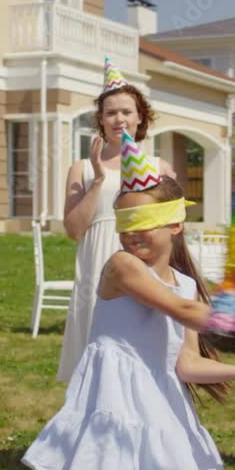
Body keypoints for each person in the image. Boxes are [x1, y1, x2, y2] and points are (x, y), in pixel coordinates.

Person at [23, 137, 235, 470]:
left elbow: (186, 363)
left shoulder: (185, 285)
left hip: (161, 408)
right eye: (124, 224)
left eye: (143, 223)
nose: (132, 234)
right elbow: (182, 311)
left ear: (175, 223)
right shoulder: (121, 267)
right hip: (108, 403)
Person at [57, 57, 175, 382]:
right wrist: (96, 180)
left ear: (140, 117)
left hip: (143, 263)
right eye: (111, 112)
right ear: (101, 119)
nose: (119, 118)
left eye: (126, 111)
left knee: (137, 349)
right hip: (97, 265)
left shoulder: (158, 167)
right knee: (94, 351)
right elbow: (72, 230)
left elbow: (171, 227)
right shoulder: (80, 169)